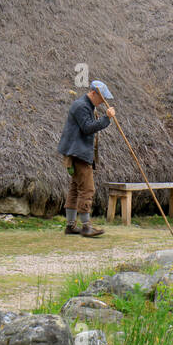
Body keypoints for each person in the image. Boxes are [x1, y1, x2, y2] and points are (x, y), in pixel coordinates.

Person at [58, 80, 115, 237]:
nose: (103, 102)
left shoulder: (86, 105)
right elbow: (88, 128)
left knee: (75, 189)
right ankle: (86, 226)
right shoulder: (81, 106)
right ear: (93, 93)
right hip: (78, 154)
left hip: (76, 153)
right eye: (101, 98)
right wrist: (106, 119)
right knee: (87, 189)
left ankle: (70, 225)